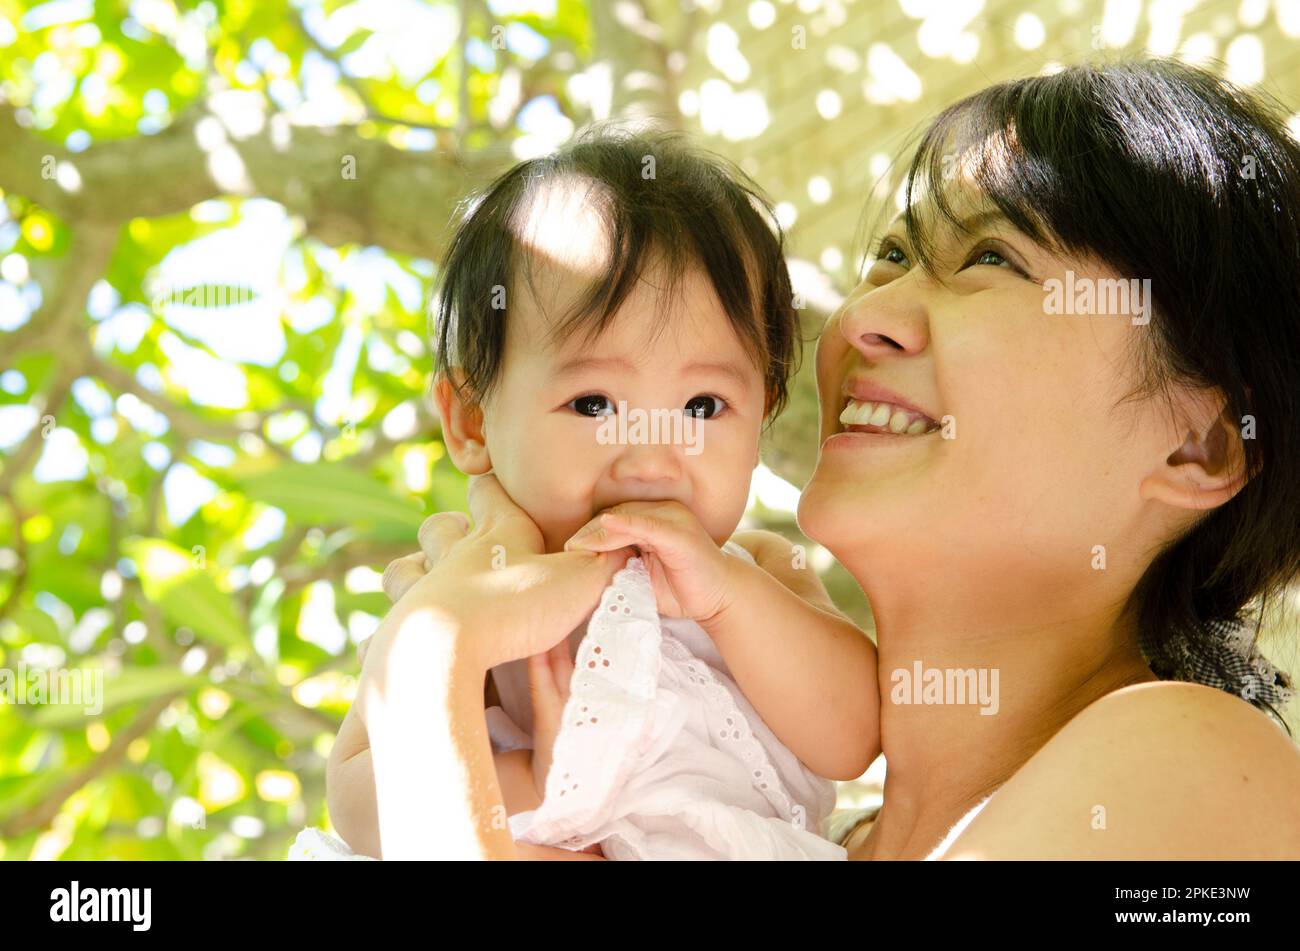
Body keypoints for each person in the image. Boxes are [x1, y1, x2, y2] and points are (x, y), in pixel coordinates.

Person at [352, 58, 1300, 860]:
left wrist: (432, 658)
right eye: (890, 256)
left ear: (1198, 444)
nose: (864, 320)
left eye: (990, 262)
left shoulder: (1192, 767)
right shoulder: (782, 833)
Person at [317, 129, 881, 860]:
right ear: (472, 419)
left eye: (704, 406)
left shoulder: (760, 568)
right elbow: (360, 800)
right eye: (593, 403)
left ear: (763, 413)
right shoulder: (471, 584)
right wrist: (528, 782)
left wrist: (727, 599)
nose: (651, 456)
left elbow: (854, 734)